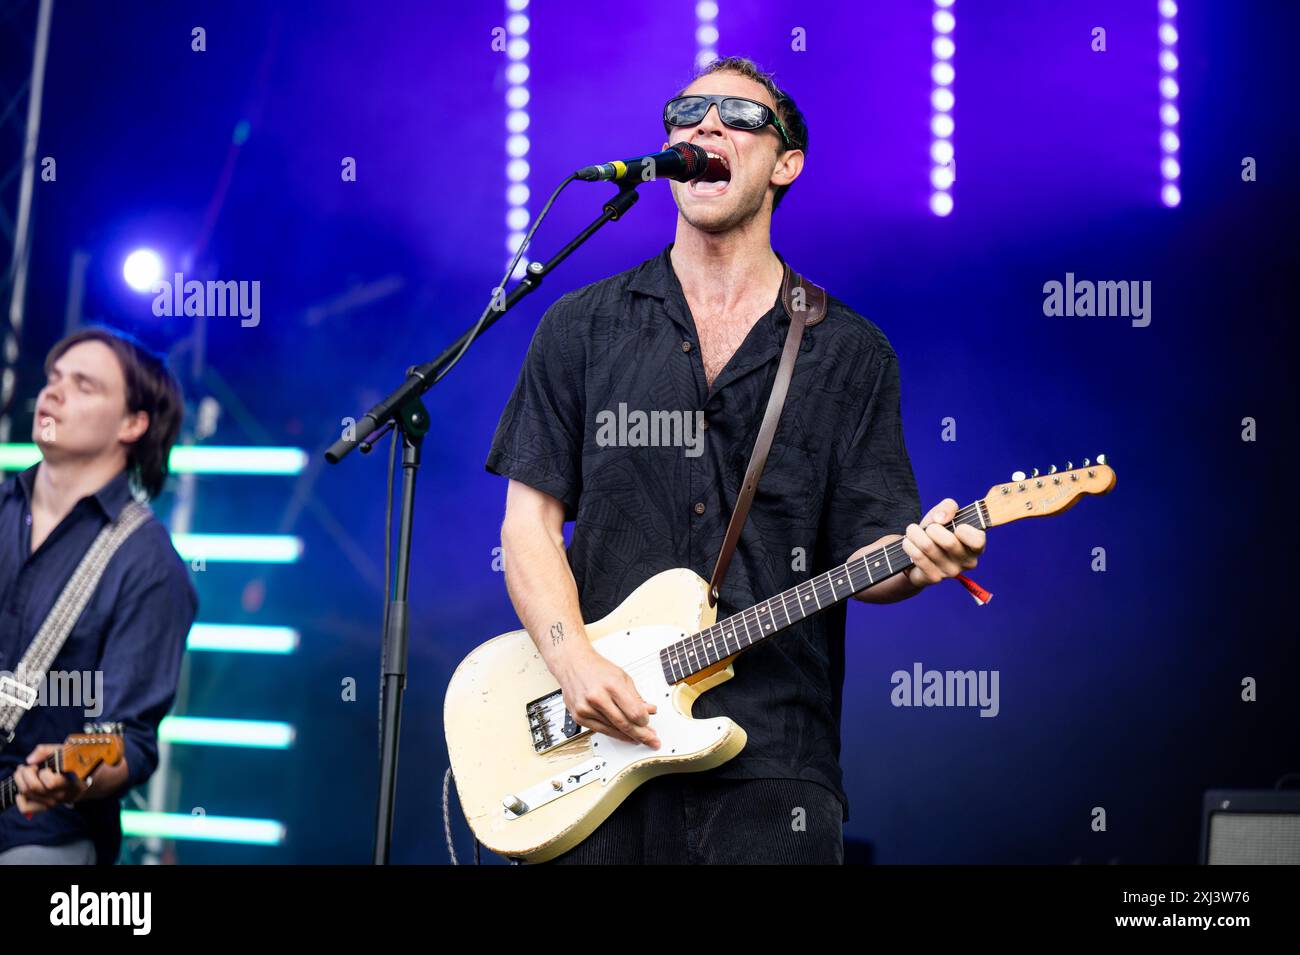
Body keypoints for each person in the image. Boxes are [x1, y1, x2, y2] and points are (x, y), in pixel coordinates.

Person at [486, 56, 986, 864]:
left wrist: (921, 560)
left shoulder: (848, 353)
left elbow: (874, 557)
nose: (706, 126)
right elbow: (529, 524)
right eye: (689, 110)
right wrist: (570, 657)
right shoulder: (580, 327)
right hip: (593, 756)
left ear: (786, 163)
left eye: (741, 116)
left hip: (771, 767)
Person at [0, 327, 195, 865]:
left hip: (40, 831)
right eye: (54, 378)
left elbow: (125, 740)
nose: (53, 393)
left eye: (84, 385)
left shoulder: (148, 562)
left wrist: (71, 767)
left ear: (133, 423)